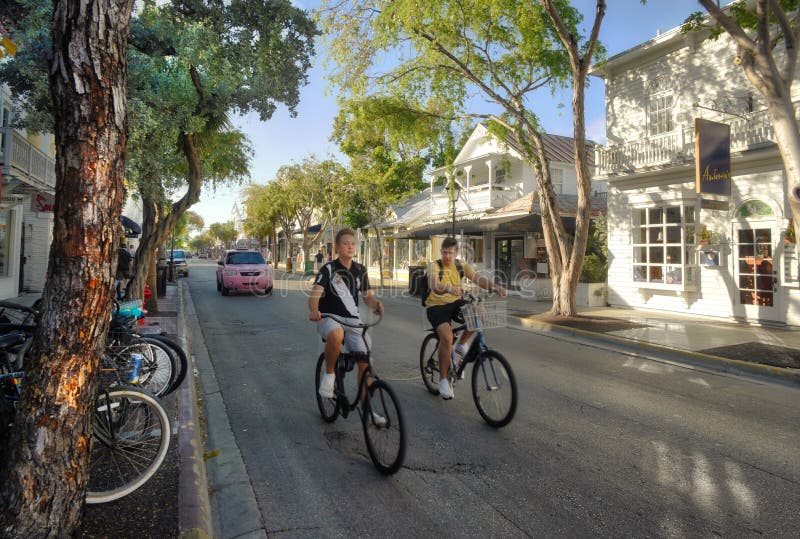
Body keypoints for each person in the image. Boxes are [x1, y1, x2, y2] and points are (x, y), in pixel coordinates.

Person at [309, 228, 384, 414]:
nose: (350, 246)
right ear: (337, 247)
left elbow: (367, 296)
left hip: (352, 321)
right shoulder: (329, 269)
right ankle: (329, 374)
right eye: (345, 243)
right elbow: (315, 294)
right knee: (336, 333)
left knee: (365, 363)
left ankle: (368, 411)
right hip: (329, 318)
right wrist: (314, 310)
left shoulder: (360, 270)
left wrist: (375, 304)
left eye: (352, 243)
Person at [425, 236, 506, 400]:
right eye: (445, 252)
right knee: (447, 338)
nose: (448, 256)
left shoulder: (461, 265)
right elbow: (434, 285)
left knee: (479, 312)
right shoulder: (435, 266)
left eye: (451, 253)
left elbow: (478, 278)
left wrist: (495, 287)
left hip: (455, 303)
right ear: (441, 252)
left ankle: (462, 344)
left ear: (456, 253)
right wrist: (448, 288)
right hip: (436, 306)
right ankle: (443, 380)